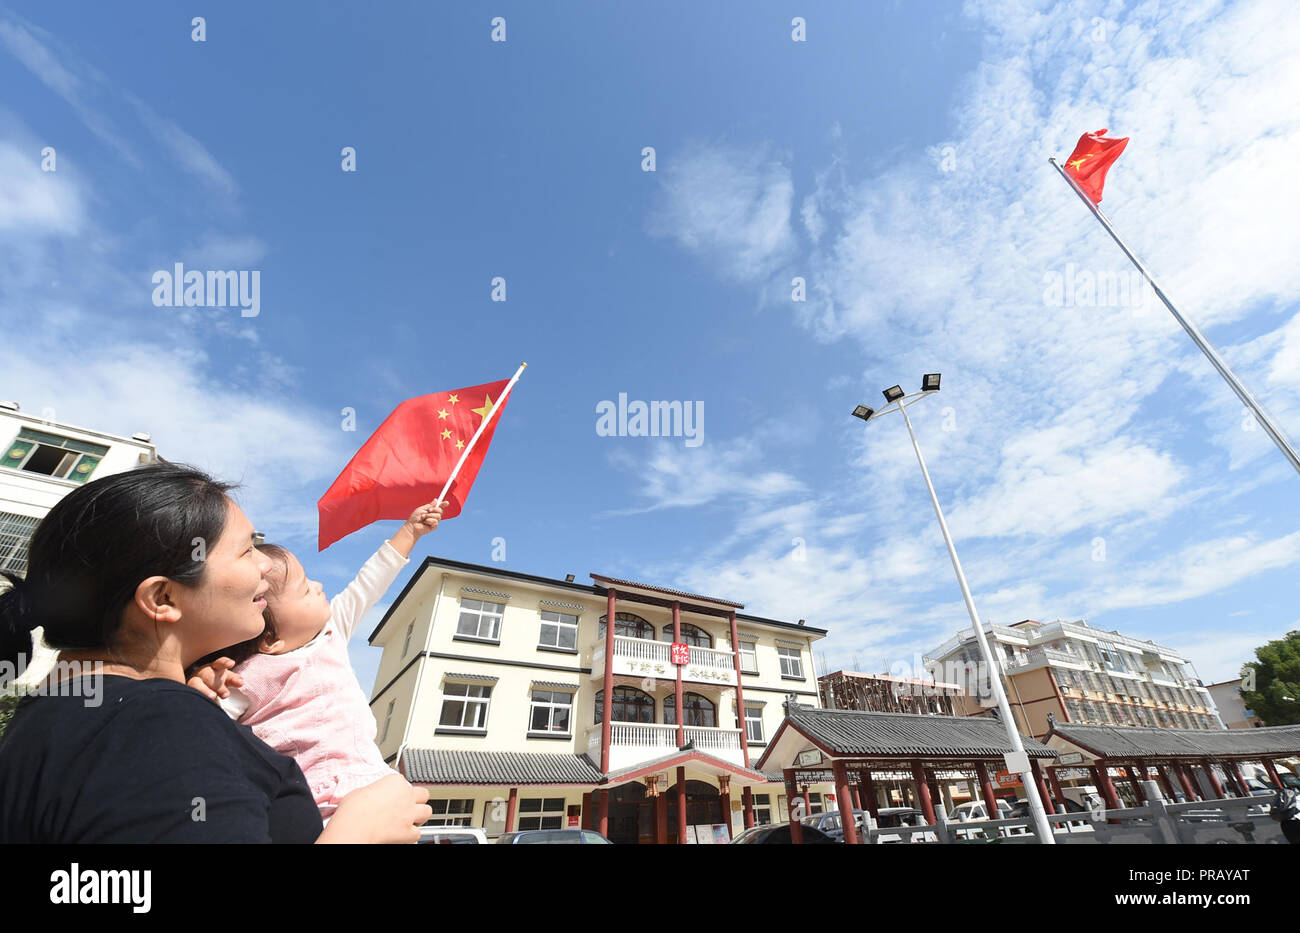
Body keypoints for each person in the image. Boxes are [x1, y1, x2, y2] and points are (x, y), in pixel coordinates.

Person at [0, 462, 430, 843]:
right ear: (164, 598)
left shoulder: (58, 716)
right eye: (246, 550)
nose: (266, 565)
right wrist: (363, 828)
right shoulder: (158, 727)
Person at [187, 501, 444, 820]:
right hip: (307, 798)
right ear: (270, 640)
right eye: (305, 590)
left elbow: (368, 584)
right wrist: (203, 694)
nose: (319, 587)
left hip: (369, 778)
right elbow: (205, 732)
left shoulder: (331, 633)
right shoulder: (247, 675)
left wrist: (410, 531)